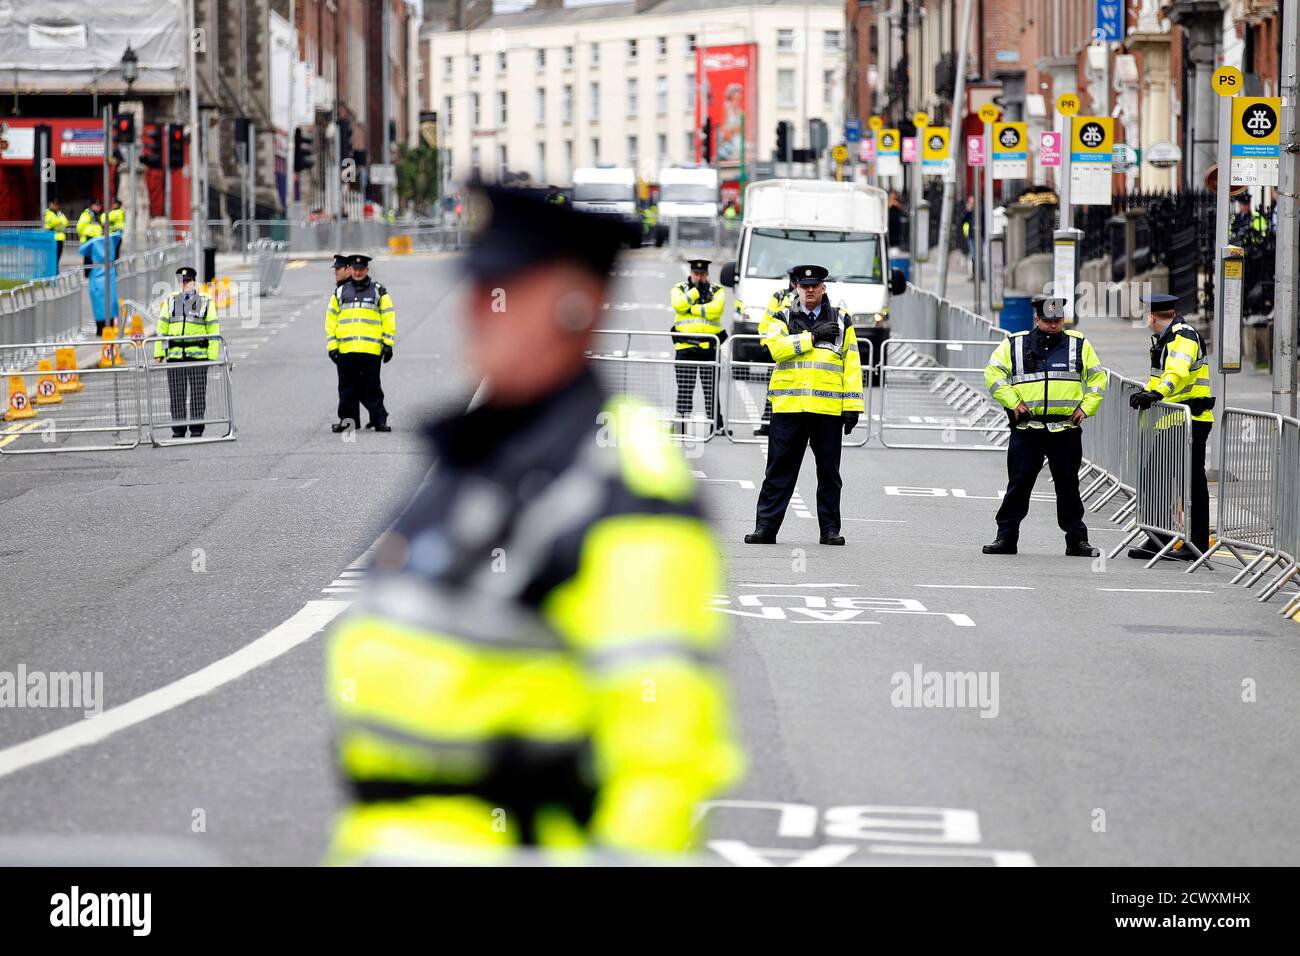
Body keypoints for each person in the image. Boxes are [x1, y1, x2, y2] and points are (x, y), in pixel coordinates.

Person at [323, 184, 742, 863]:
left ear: (580, 307)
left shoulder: (622, 473)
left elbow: (665, 759)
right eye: (479, 288)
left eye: (505, 291)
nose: (478, 311)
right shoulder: (481, 445)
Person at [746, 264, 863, 546]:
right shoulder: (783, 317)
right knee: (778, 472)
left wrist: (853, 406)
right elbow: (776, 349)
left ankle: (830, 531)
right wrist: (811, 337)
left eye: (815, 286)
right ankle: (766, 529)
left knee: (829, 475)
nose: (810, 290)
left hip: (827, 411)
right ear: (796, 288)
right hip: (790, 408)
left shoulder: (842, 319)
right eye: (805, 286)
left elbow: (852, 364)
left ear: (824, 288)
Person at [982, 295, 1106, 556]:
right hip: (1028, 429)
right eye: (1048, 320)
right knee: (1018, 485)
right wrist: (1013, 402)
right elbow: (993, 374)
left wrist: (1087, 407)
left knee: (1068, 486)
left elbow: (1097, 377)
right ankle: (1006, 538)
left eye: (1058, 320)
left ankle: (1076, 541)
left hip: (1065, 430)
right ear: (1036, 319)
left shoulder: (1078, 344)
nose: (1053, 325)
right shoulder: (1014, 344)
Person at [1127, 293, 1214, 561]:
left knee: (1189, 483)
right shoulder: (1168, 337)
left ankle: (1194, 543)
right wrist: (1146, 392)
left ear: (1152, 316)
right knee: (1159, 480)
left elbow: (1176, 372)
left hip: (1190, 420)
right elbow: (1161, 377)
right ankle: (1160, 537)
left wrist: (1156, 394)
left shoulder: (1183, 335)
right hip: (1175, 419)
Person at [326, 253, 395, 432]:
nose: (358, 272)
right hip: (346, 349)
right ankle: (349, 421)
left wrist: (388, 344)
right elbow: (331, 320)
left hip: (371, 349)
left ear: (367, 269)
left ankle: (379, 420)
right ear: (351, 270)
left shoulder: (378, 291)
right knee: (346, 388)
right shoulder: (341, 292)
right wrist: (332, 346)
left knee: (372, 387)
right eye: (355, 269)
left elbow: (388, 317)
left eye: (361, 269)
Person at [154, 266, 220, 439]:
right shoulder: (170, 300)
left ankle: (197, 428)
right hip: (175, 356)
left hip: (198, 355)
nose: (184, 285)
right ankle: (178, 428)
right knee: (176, 393)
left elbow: (213, 328)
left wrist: (212, 356)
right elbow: (162, 327)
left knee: (198, 393)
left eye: (187, 281)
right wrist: (159, 353)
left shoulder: (205, 300)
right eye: (181, 282)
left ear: (194, 282)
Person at [669, 258, 727, 435]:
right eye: (696, 274)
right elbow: (678, 305)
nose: (699, 277)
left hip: (709, 348)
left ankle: (717, 425)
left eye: (702, 274)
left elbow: (716, 309)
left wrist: (691, 308)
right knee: (685, 388)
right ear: (691, 273)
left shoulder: (717, 290)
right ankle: (681, 425)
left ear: (707, 274)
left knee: (711, 389)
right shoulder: (679, 288)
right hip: (685, 347)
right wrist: (694, 293)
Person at [753, 267, 799, 437]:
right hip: (778, 350)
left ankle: (789, 428)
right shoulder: (779, 296)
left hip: (795, 351)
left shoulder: (806, 298)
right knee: (772, 389)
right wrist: (765, 343)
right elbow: (767, 321)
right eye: (794, 281)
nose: (795, 284)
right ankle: (766, 424)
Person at [78, 227, 121, 336]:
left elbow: (86, 261)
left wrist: (87, 273)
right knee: (110, 301)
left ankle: (100, 329)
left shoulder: (93, 244)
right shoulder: (112, 241)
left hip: (96, 276)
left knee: (98, 303)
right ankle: (110, 326)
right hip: (109, 274)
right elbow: (119, 242)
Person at [76, 200, 105, 278]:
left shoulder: (97, 215)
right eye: (96, 205)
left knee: (93, 257)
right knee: (88, 258)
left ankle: (91, 272)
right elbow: (80, 226)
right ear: (91, 205)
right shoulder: (88, 214)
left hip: (96, 238)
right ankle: (87, 274)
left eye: (99, 205)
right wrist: (86, 234)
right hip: (88, 238)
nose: (98, 207)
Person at [43, 199, 68, 268]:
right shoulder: (48, 213)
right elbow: (54, 221)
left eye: (56, 204)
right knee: (52, 256)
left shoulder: (59, 213)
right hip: (51, 237)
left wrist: (59, 222)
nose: (55, 206)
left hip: (60, 238)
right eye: (53, 204)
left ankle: (55, 269)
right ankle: (51, 270)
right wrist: (60, 222)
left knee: (58, 256)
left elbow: (66, 222)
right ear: (49, 204)